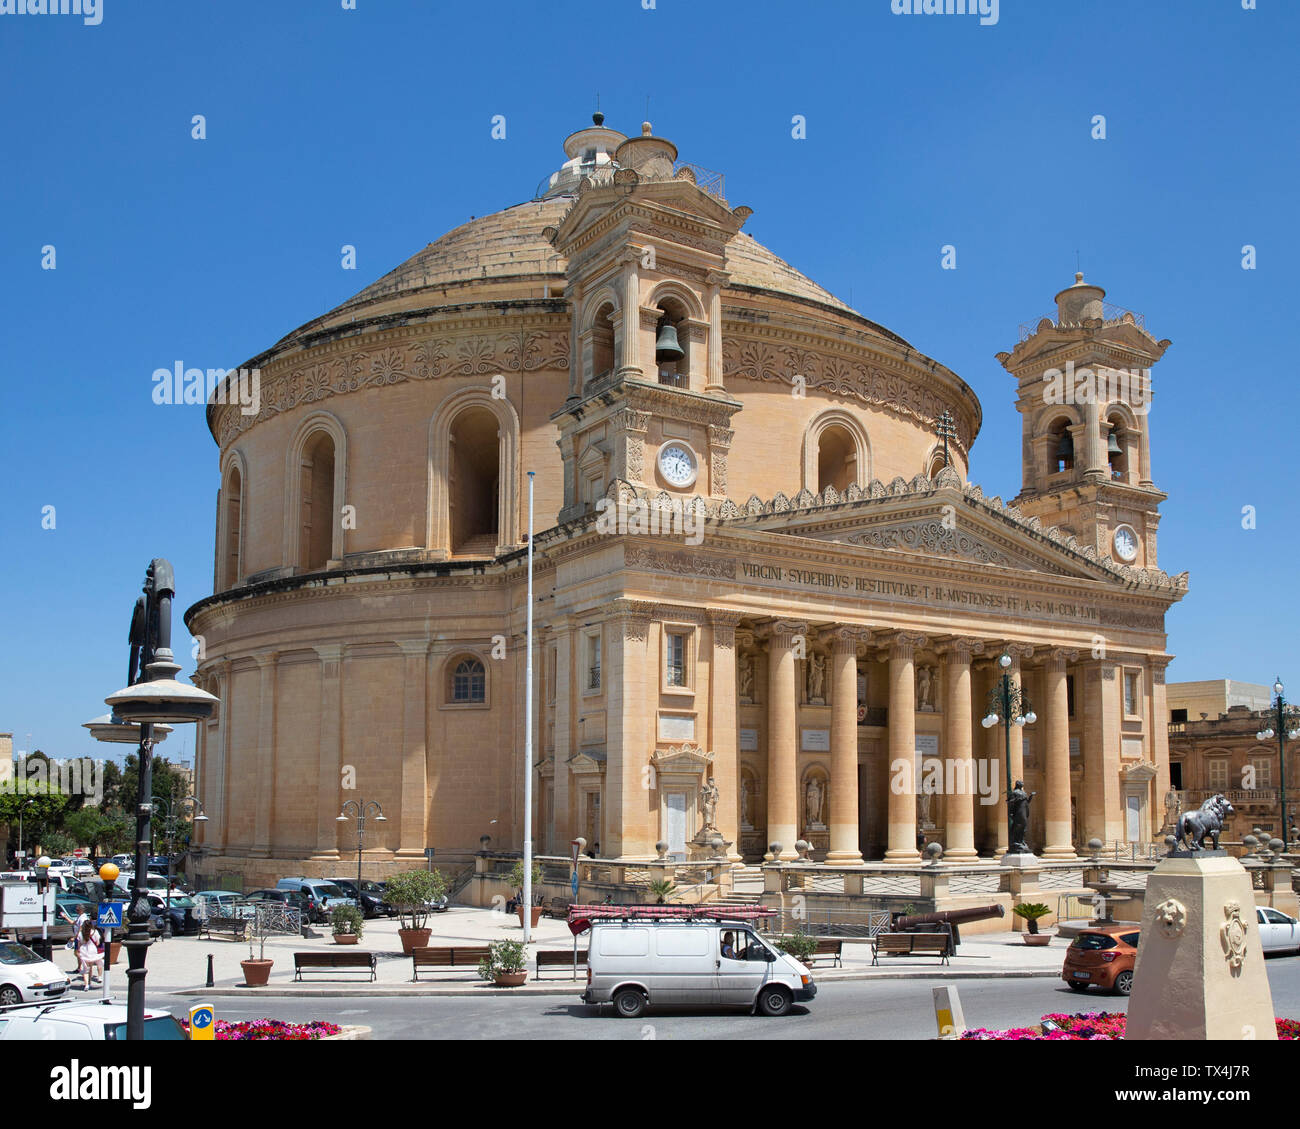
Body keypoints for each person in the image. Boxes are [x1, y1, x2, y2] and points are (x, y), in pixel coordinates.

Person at [77, 920, 104, 990]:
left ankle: (86, 985)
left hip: (84, 950)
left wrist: (79, 951)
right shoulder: (94, 932)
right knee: (97, 964)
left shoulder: (81, 933)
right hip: (93, 950)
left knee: (86, 969)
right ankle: (99, 977)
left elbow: (79, 944)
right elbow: (98, 943)